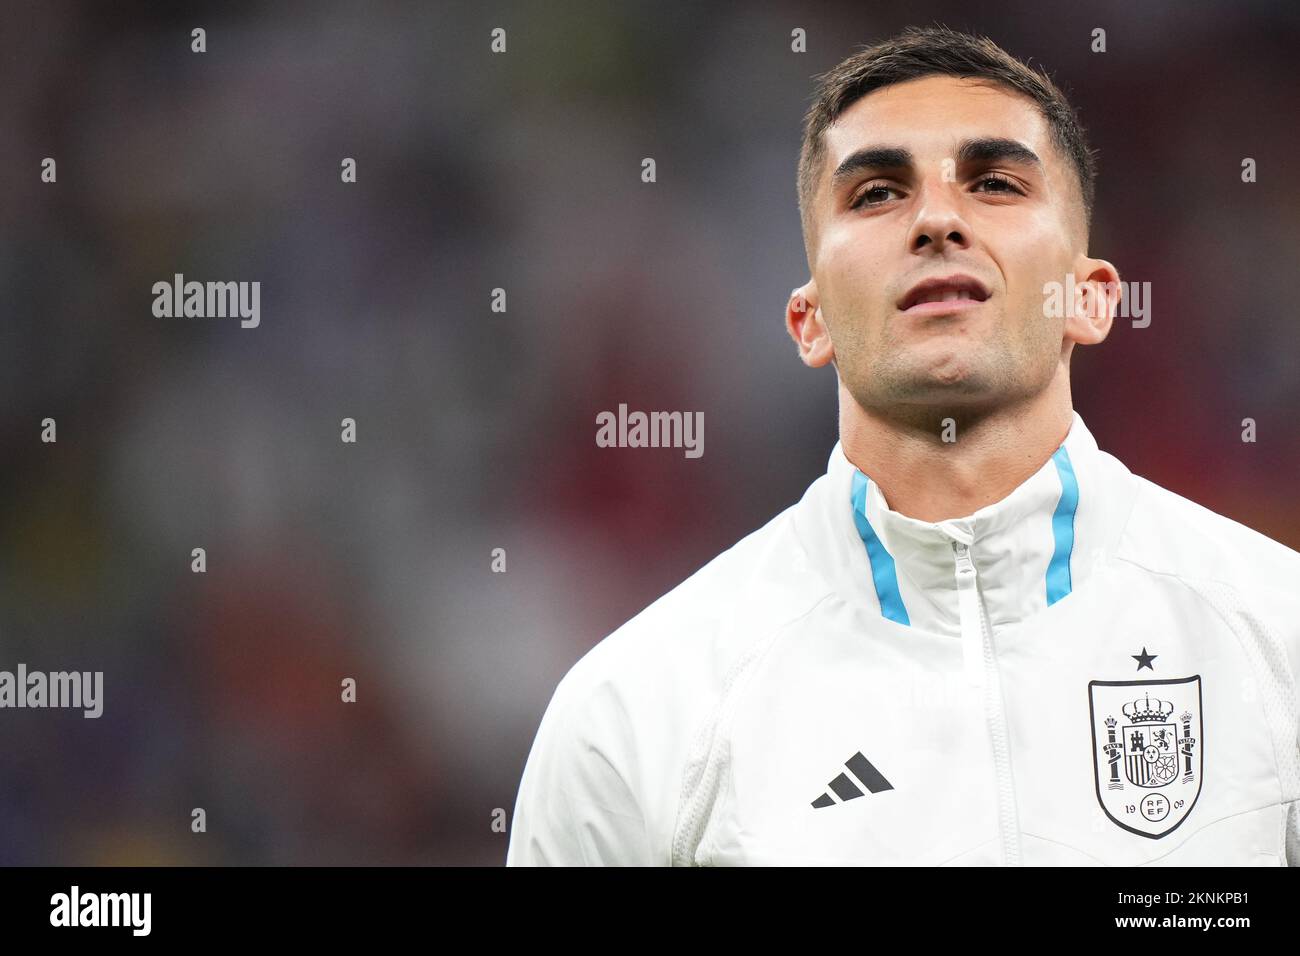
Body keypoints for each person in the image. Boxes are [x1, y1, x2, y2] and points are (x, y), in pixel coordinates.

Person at [506, 26, 1300, 866]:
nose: (937, 220)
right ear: (810, 323)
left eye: (994, 183)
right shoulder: (635, 716)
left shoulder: (1277, 636)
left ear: (1091, 298)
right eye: (878, 194)